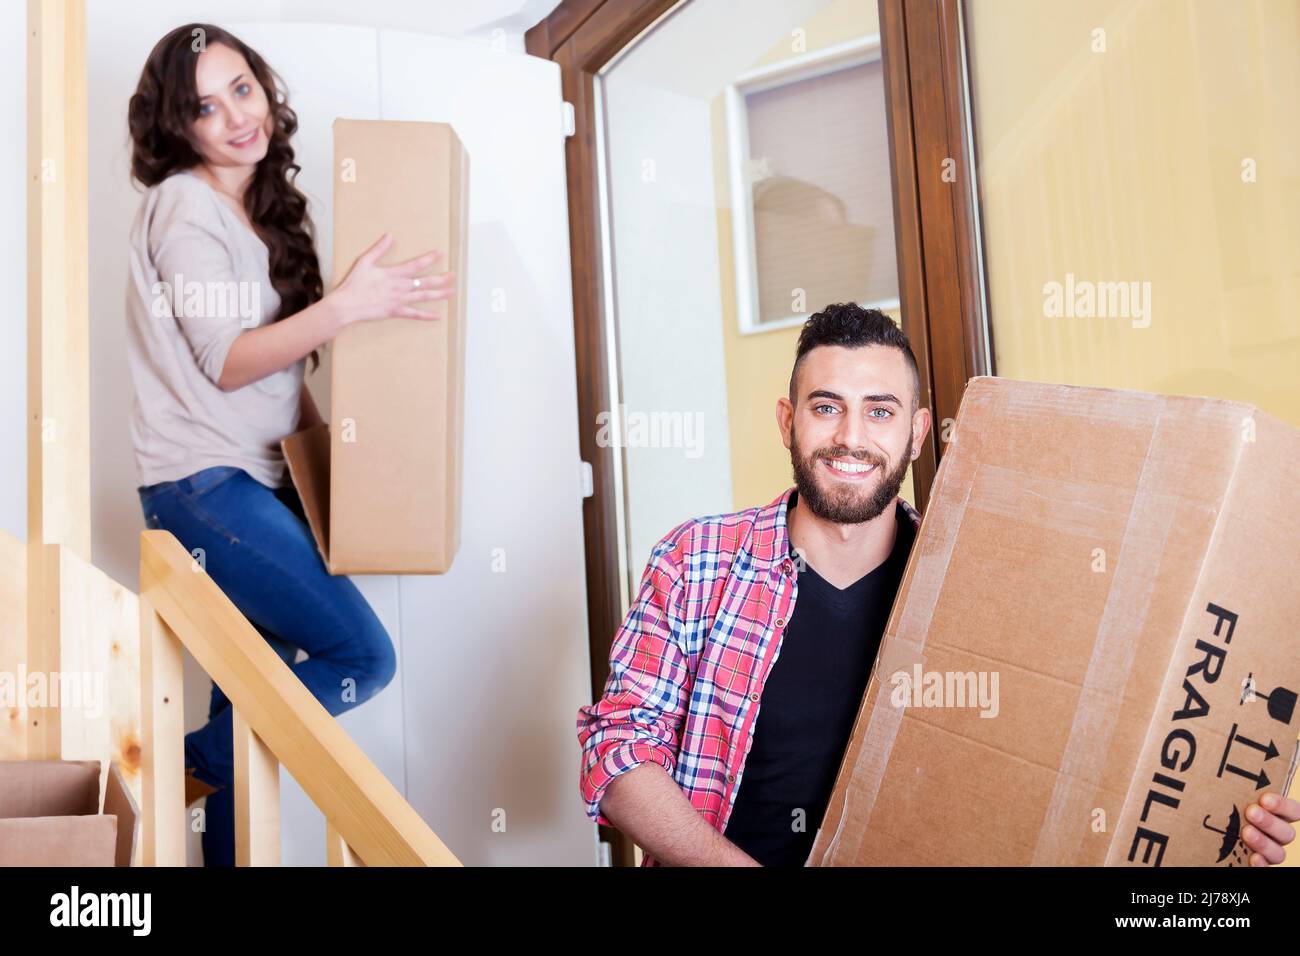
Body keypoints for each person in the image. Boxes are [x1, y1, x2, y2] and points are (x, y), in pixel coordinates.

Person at [576, 302, 1300, 867]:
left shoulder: (977, 584)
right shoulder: (697, 560)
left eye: (880, 411)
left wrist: (1215, 827)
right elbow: (616, 749)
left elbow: (1069, 764)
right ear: (787, 422)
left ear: (918, 434)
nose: (850, 436)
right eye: (826, 407)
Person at [124, 23, 455, 866]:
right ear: (178, 126)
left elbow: (279, 376)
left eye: (243, 87)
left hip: (256, 482)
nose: (237, 116)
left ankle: (211, 780)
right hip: (199, 486)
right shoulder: (184, 206)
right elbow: (228, 362)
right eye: (205, 105)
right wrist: (348, 306)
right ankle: (169, 765)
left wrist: (334, 464)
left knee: (254, 704)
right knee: (361, 656)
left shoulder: (263, 209)